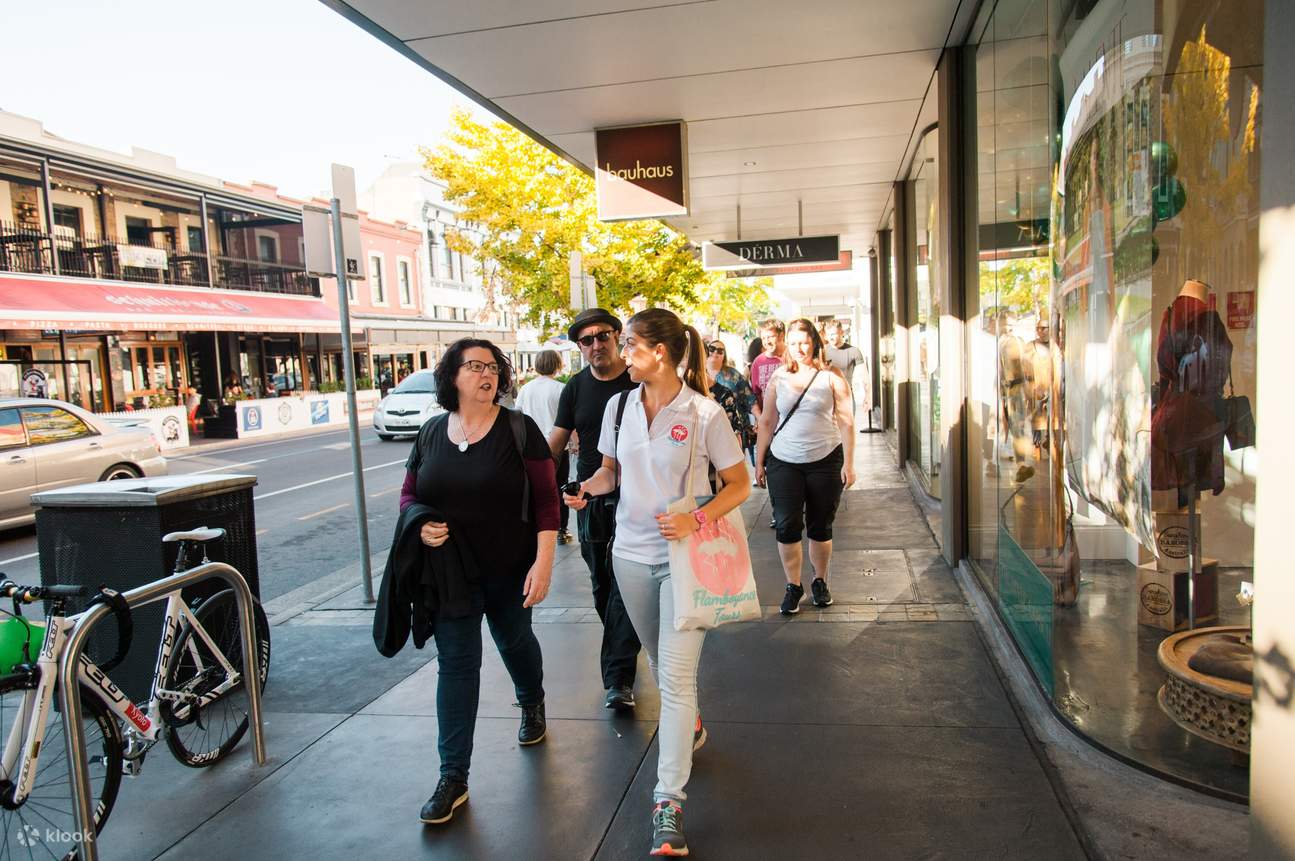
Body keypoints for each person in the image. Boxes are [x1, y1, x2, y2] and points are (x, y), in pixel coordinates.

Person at [564, 308, 749, 858]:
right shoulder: (618, 406)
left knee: (673, 678)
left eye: (629, 345)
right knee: (658, 661)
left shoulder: (703, 412)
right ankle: (688, 722)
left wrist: (699, 516)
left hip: (685, 559)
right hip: (629, 555)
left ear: (659, 352)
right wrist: (587, 488)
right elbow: (610, 471)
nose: (621, 353)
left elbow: (738, 483)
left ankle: (667, 802)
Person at [396, 338, 558, 826]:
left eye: (493, 368)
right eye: (475, 367)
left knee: (514, 641)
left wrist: (544, 561)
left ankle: (532, 700)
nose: (487, 375)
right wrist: (419, 523)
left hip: (511, 569)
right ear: (452, 376)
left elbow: (548, 500)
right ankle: (453, 776)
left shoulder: (517, 428)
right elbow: (408, 495)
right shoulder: (429, 434)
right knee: (458, 667)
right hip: (451, 577)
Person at [547, 308, 642, 711]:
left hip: (638, 498)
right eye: (586, 340)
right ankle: (622, 648)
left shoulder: (638, 379)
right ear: (580, 348)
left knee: (627, 586)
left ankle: (619, 677)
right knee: (603, 586)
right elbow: (555, 443)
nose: (596, 344)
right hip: (591, 499)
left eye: (603, 335)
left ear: (618, 336)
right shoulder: (575, 388)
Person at [755, 318, 856, 615]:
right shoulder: (779, 378)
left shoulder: (831, 376)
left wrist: (849, 463)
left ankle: (820, 581)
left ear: (814, 341)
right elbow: (767, 422)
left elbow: (847, 422)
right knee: (786, 525)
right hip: (784, 461)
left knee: (820, 526)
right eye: (794, 342)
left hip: (825, 460)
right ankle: (792, 585)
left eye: (805, 342)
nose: (799, 348)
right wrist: (759, 462)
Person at [517, 349, 573, 543]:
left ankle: (535, 527)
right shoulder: (560, 389)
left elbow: (518, 416)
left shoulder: (526, 389)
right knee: (559, 488)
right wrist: (574, 442)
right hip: (557, 447)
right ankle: (561, 530)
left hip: (531, 448)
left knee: (535, 489)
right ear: (557, 364)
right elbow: (568, 421)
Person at [705, 339, 756, 461]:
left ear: (724, 355)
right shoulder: (698, 373)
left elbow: (749, 398)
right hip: (706, 427)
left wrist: (760, 418)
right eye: (712, 349)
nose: (715, 353)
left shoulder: (733, 374)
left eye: (720, 350)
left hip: (733, 429)